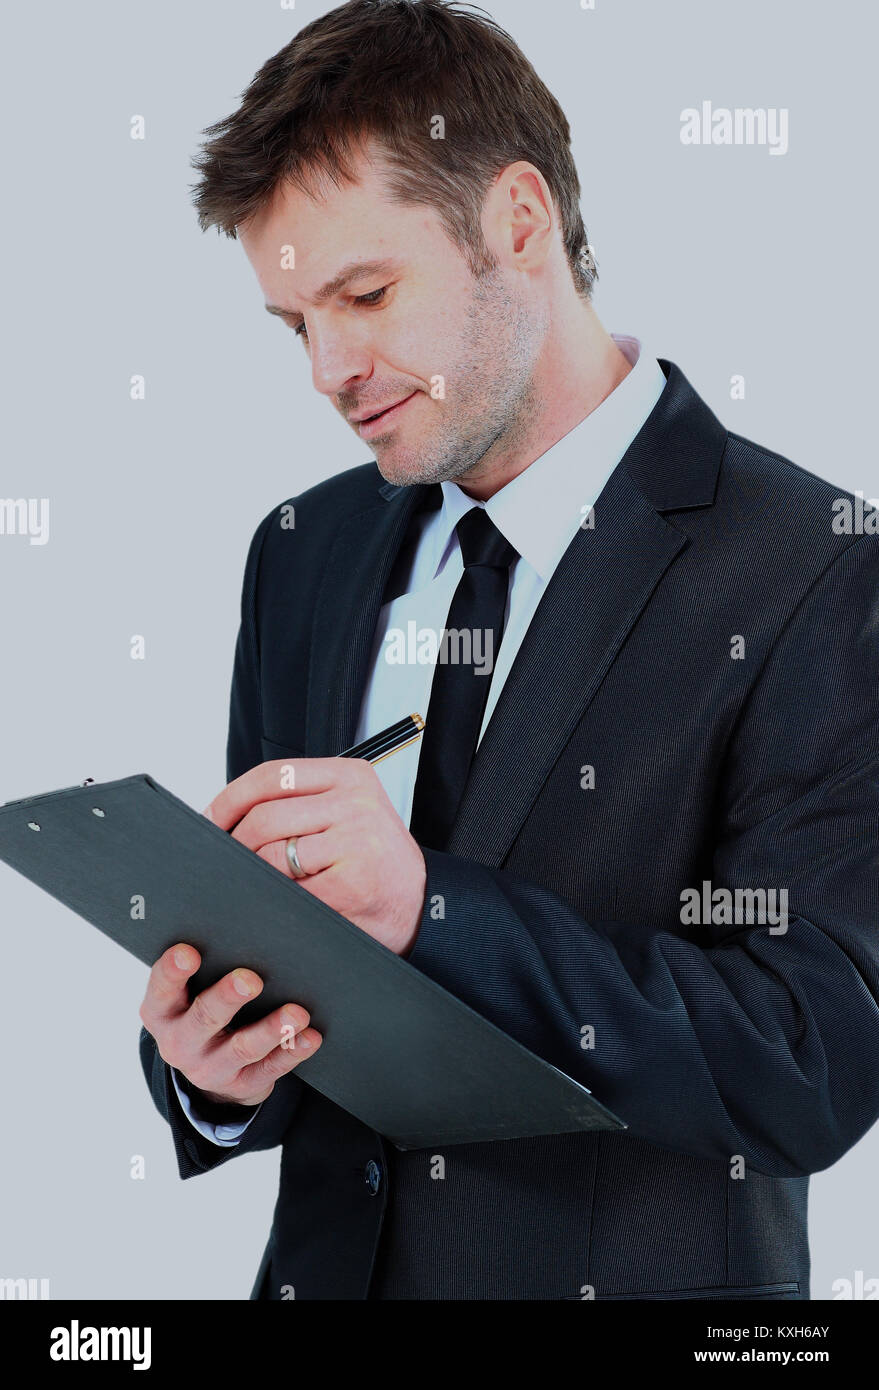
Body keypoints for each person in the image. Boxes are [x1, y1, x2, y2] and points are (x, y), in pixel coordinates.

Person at [139, 0, 879, 1300]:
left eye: (365, 294)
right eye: (292, 320)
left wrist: (430, 908)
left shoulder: (816, 564)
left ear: (518, 223)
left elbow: (812, 1056)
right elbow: (278, 954)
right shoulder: (301, 551)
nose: (327, 366)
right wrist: (209, 1068)